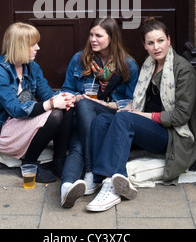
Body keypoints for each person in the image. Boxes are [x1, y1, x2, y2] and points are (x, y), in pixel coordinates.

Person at [85, 17, 196, 212]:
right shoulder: (149, 65)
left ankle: (112, 186)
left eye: (160, 40)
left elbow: (181, 117)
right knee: (102, 119)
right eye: (150, 43)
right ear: (145, 46)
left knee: (125, 118)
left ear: (169, 40)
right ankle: (100, 178)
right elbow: (140, 102)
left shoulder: (183, 70)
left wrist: (140, 116)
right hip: (151, 128)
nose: (156, 47)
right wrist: (125, 107)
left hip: (173, 135)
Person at [0, 22, 75, 183]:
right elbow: (14, 110)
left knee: (65, 107)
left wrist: (66, 97)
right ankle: (29, 164)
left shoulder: (32, 67)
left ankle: (59, 161)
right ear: (19, 46)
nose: (38, 48)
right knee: (55, 114)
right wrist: (52, 104)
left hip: (22, 122)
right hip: (3, 129)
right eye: (33, 45)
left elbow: (46, 94)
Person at [59, 17, 139, 208]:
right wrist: (75, 97)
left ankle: (89, 171)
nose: (93, 39)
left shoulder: (128, 65)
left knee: (87, 106)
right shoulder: (79, 60)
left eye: (99, 36)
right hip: (84, 120)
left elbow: (131, 103)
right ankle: (66, 189)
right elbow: (67, 89)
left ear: (112, 38)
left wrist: (109, 104)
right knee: (77, 145)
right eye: (91, 35)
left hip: (108, 120)